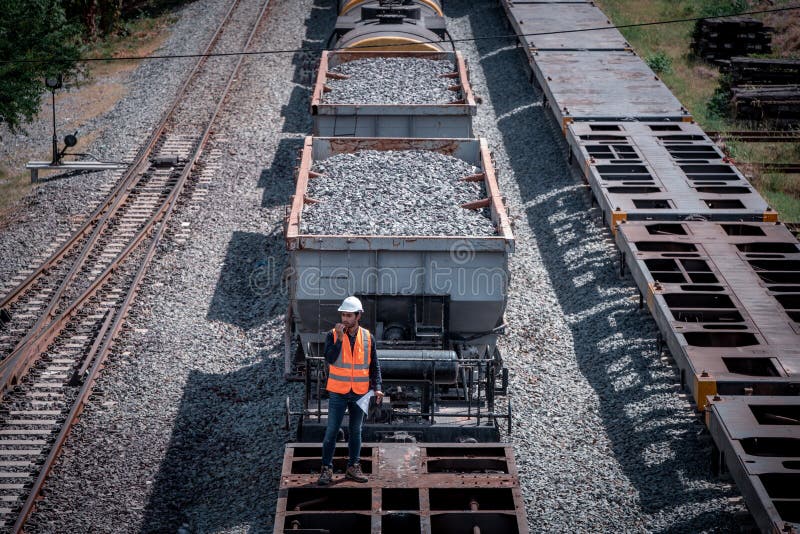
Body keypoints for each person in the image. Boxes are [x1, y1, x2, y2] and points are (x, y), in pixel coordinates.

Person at [317, 296, 383, 486]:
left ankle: (353, 467)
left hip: (360, 392)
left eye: (349, 315)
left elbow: (374, 365)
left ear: (358, 316)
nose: (345, 319)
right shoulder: (332, 335)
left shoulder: (368, 337)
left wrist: (378, 388)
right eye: (343, 315)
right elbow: (330, 358)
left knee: (356, 431)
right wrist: (339, 339)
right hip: (338, 392)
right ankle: (326, 469)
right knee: (332, 431)